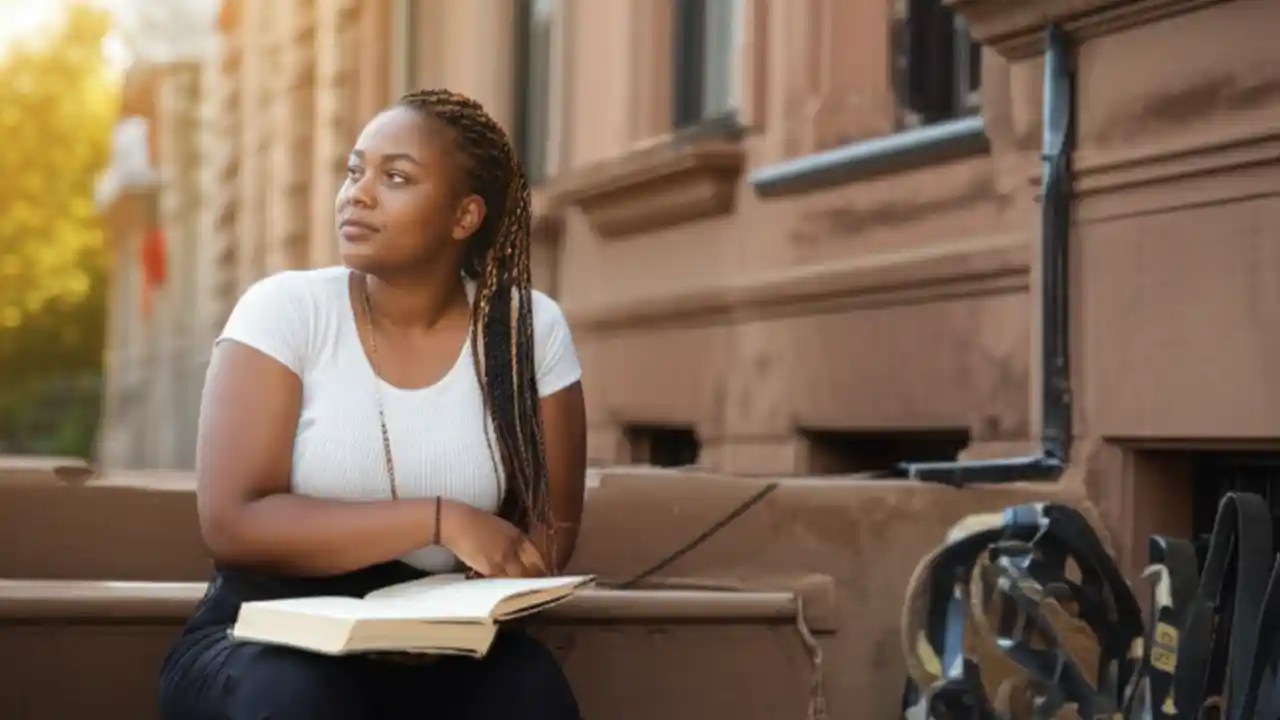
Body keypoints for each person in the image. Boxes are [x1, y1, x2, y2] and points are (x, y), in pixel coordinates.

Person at [158, 89, 587, 719]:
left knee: (529, 692)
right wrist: (441, 520)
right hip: (267, 635)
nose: (357, 193)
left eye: (396, 177)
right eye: (355, 170)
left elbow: (550, 534)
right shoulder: (285, 311)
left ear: (463, 216)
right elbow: (233, 522)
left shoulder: (527, 330)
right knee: (301, 699)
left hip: (448, 636)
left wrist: (445, 619)